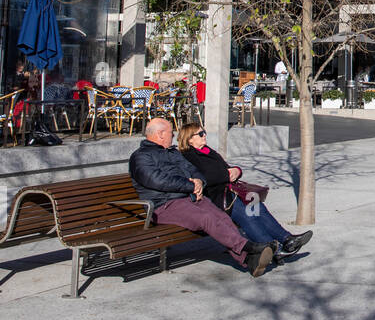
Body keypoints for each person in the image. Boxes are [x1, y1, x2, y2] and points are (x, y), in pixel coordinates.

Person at [129, 118, 274, 276]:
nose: (173, 135)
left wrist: (199, 182)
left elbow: (194, 171)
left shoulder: (173, 153)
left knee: (221, 217)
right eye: (171, 132)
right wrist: (191, 185)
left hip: (190, 199)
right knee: (206, 219)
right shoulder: (141, 157)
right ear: (160, 134)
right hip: (164, 205)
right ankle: (249, 247)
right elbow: (157, 180)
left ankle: (249, 261)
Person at [178, 122, 311, 258]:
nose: (204, 135)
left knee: (259, 208)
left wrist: (237, 171)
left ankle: (287, 239)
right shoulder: (188, 156)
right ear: (189, 139)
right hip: (217, 197)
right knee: (248, 216)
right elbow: (204, 177)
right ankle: (273, 248)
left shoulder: (208, 151)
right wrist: (227, 175)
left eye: (204, 132)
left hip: (232, 191)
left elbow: (226, 167)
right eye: (200, 134)